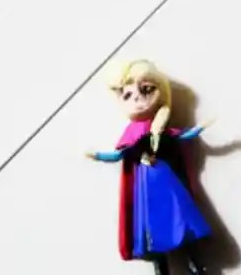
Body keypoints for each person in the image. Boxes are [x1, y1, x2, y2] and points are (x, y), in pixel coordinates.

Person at [87, 59, 212, 275]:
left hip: (165, 181)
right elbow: (119, 154)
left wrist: (200, 128)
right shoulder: (132, 132)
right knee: (151, 231)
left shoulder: (160, 128)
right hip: (146, 188)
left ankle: (195, 266)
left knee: (180, 220)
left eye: (146, 90)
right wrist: (97, 155)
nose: (137, 98)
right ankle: (163, 268)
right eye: (127, 95)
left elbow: (182, 137)